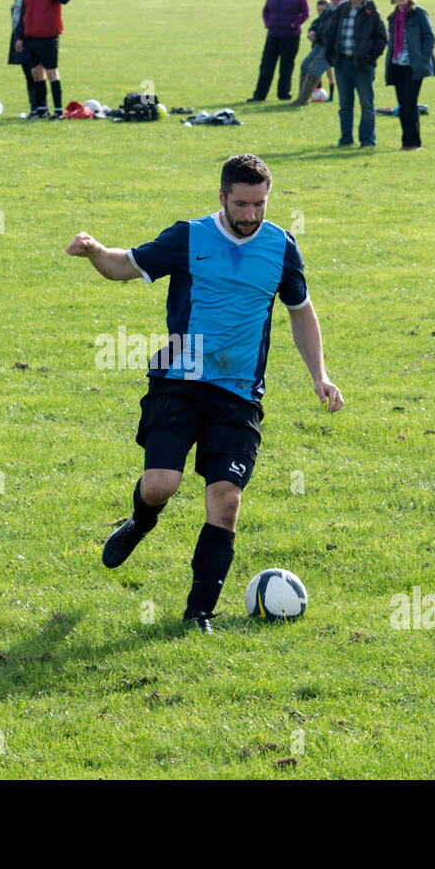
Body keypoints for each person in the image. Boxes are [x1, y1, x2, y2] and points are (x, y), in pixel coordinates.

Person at [65, 154, 345, 634]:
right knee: (160, 486)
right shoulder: (188, 236)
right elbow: (122, 266)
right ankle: (139, 522)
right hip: (178, 383)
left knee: (226, 499)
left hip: (238, 395)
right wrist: (93, 250)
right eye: (241, 203)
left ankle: (199, 612)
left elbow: (301, 311)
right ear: (222, 197)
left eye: (259, 203)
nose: (251, 214)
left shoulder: (280, 247)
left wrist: (319, 373)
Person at [320, 0, 386, 148]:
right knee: (345, 106)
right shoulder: (341, 10)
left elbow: (382, 38)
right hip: (342, 64)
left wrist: (370, 57)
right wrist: (331, 55)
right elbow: (329, 33)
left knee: (366, 104)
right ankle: (346, 139)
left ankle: (367, 141)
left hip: (363, 66)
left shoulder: (370, 11)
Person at [384, 0, 435, 151]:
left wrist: (422, 59)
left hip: (414, 66)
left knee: (410, 103)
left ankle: (414, 142)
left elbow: (429, 37)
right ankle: (406, 142)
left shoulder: (419, 13)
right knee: (402, 105)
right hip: (397, 65)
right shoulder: (392, 17)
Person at [247, 0, 308, 103]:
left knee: (286, 67)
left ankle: (284, 94)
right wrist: (268, 23)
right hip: (273, 34)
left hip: (290, 36)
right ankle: (259, 95)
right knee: (266, 65)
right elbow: (266, 10)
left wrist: (294, 24)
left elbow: (306, 13)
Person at [20, 0, 70, 118]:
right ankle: (41, 109)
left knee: (51, 73)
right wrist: (20, 37)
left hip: (49, 36)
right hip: (31, 37)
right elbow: (23, 13)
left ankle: (58, 110)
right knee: (36, 74)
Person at [289, 0, 331, 106]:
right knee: (305, 65)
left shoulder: (333, 12)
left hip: (327, 47)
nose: (320, 12)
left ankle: (303, 100)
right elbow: (315, 24)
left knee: (314, 69)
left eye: (323, 10)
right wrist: (311, 32)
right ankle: (301, 98)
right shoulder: (323, 16)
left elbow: (327, 32)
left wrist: (317, 36)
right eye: (319, 10)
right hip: (318, 46)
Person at [7, 0, 33, 110]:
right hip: (18, 40)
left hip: (30, 40)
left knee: (36, 75)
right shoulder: (16, 3)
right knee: (28, 75)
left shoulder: (32, 2)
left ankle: (40, 107)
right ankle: (33, 106)